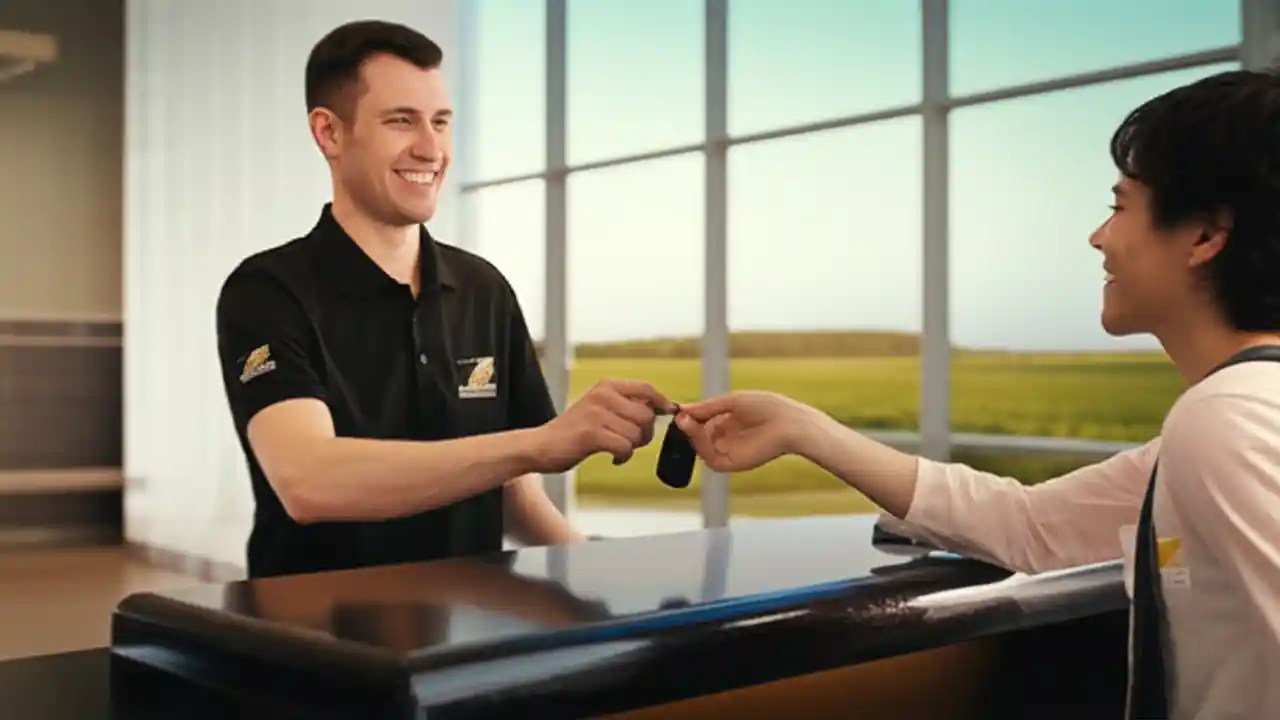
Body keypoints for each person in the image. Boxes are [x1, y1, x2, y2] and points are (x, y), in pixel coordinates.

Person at [674, 69, 1280, 720]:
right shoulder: (1233, 415)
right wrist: (804, 430)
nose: (1098, 237)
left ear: (1204, 236)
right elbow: (1031, 526)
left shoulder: (1228, 419)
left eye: (1120, 206)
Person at [216, 20, 673, 579]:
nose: (430, 148)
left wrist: (597, 571)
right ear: (329, 133)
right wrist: (538, 443)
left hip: (468, 622)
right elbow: (309, 481)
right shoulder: (266, 292)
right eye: (401, 120)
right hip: (312, 628)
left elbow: (509, 491)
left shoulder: (483, 289)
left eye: (440, 122)